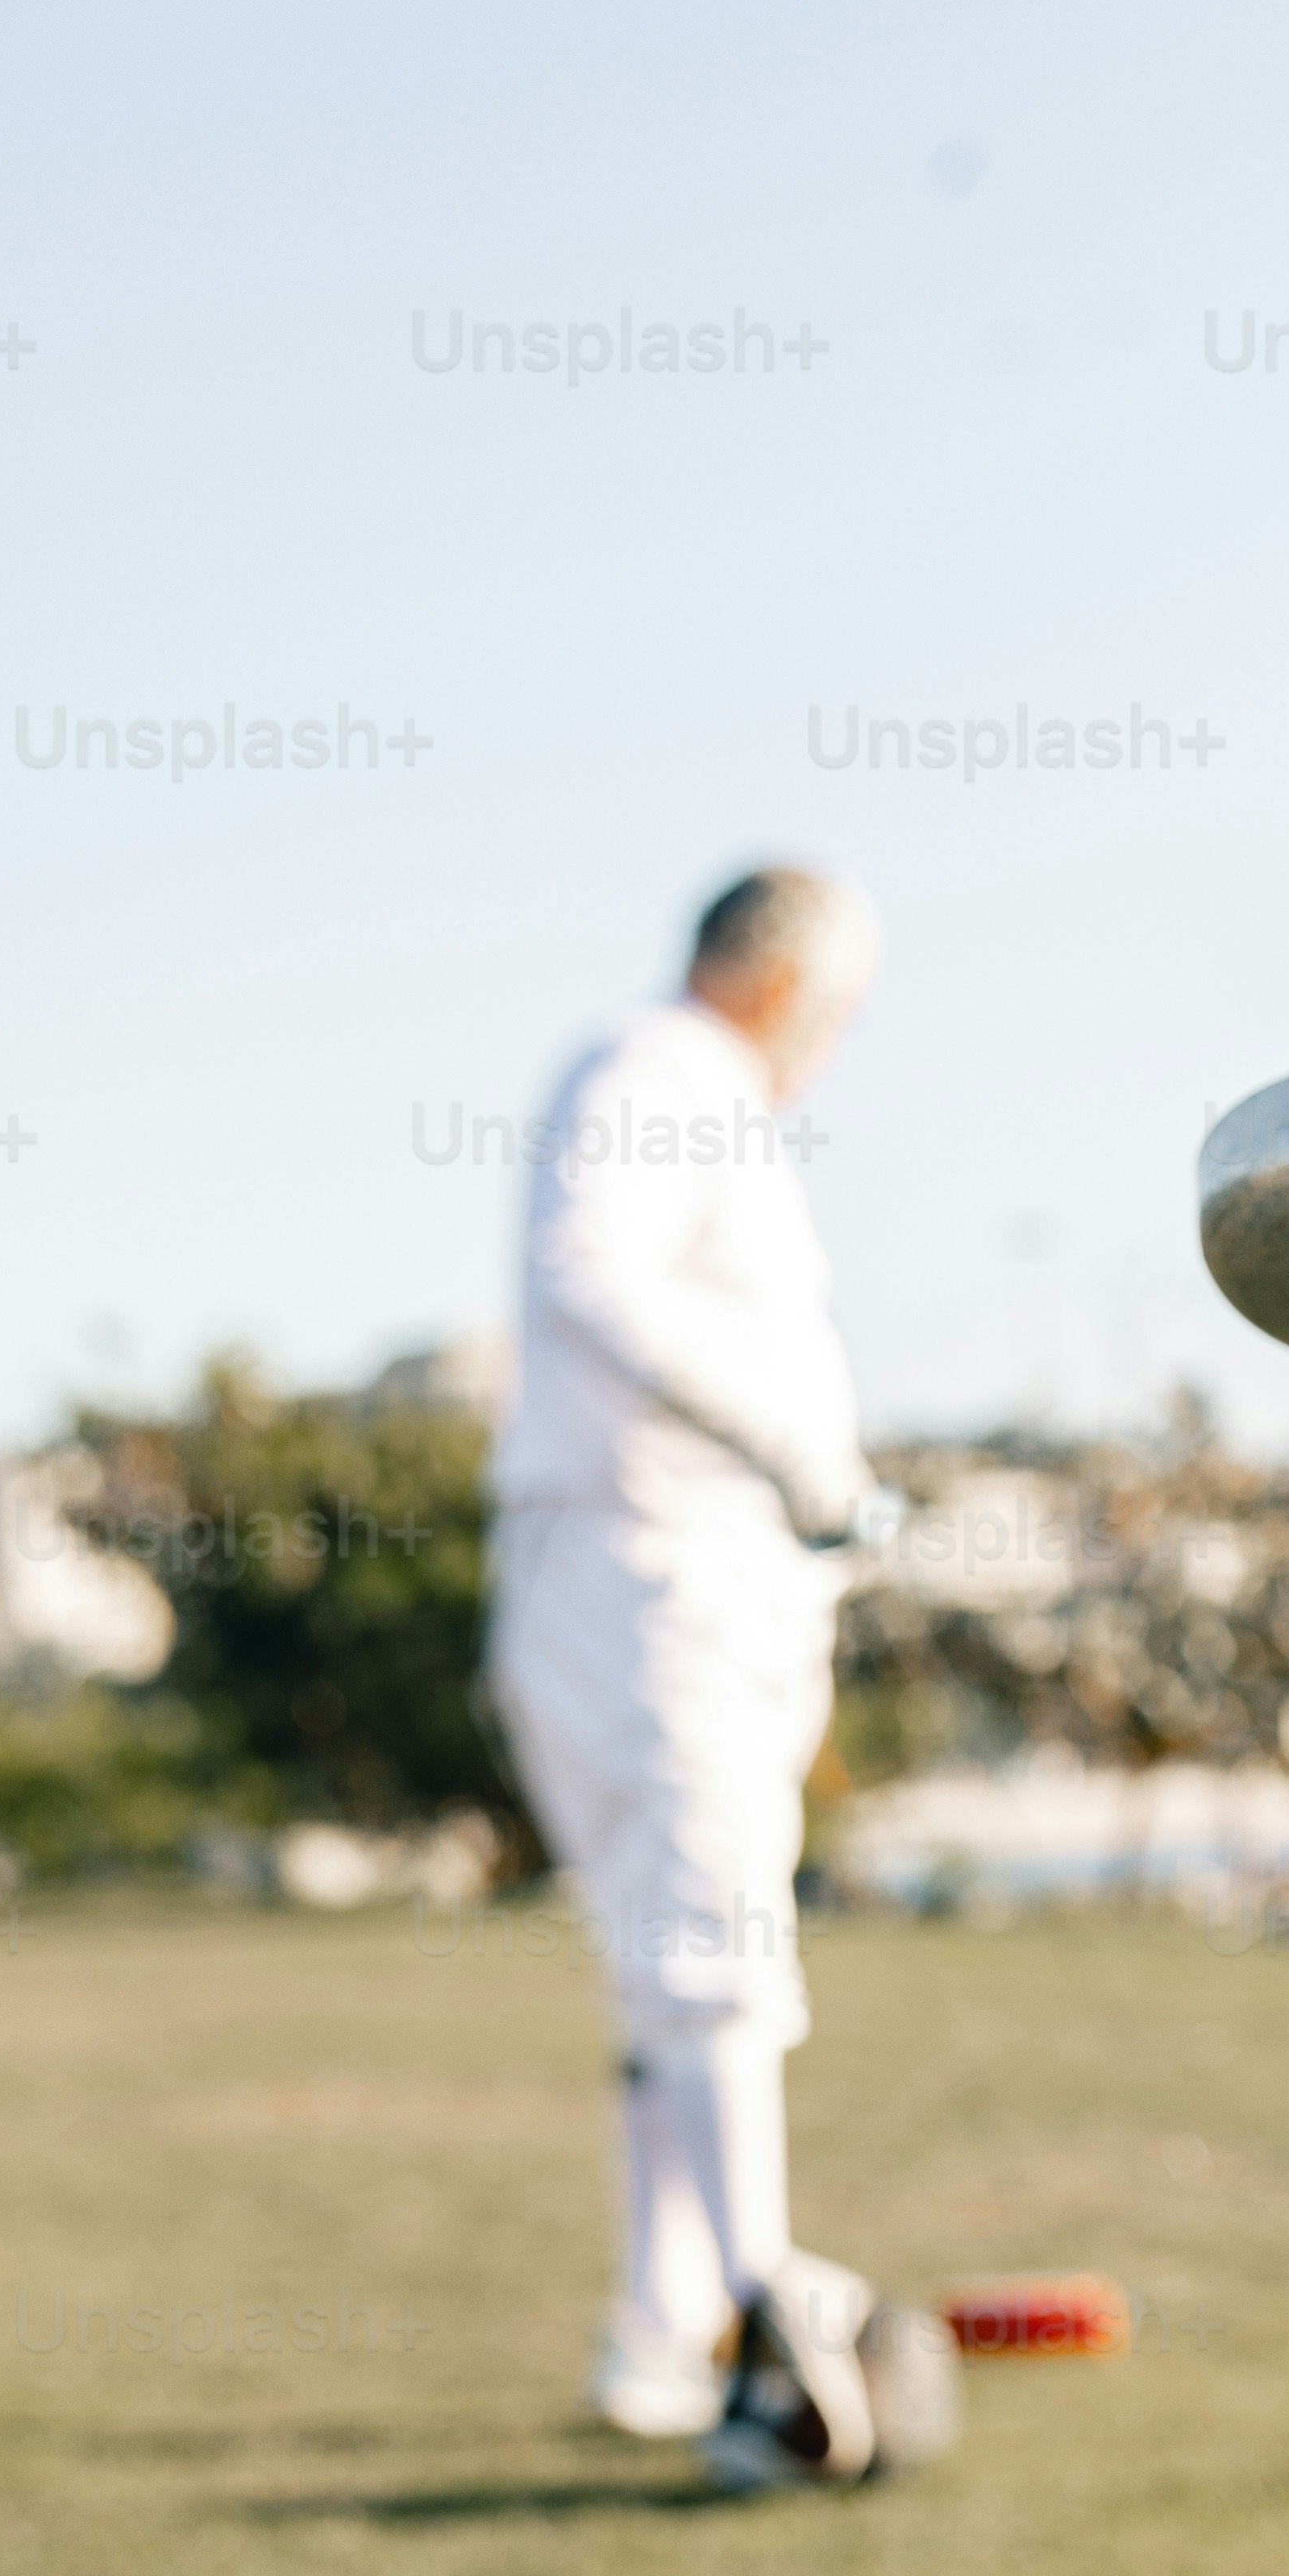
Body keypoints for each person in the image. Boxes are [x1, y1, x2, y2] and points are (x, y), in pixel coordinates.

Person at [489, 866, 932, 2483]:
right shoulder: (662, 1073)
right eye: (839, 1010)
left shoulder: (686, 1092)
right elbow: (587, 1274)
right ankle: (771, 2347)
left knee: (673, 1967)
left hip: (652, 1573)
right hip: (650, 1573)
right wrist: (801, 1456)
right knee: (713, 1948)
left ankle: (664, 2327)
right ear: (790, 980)